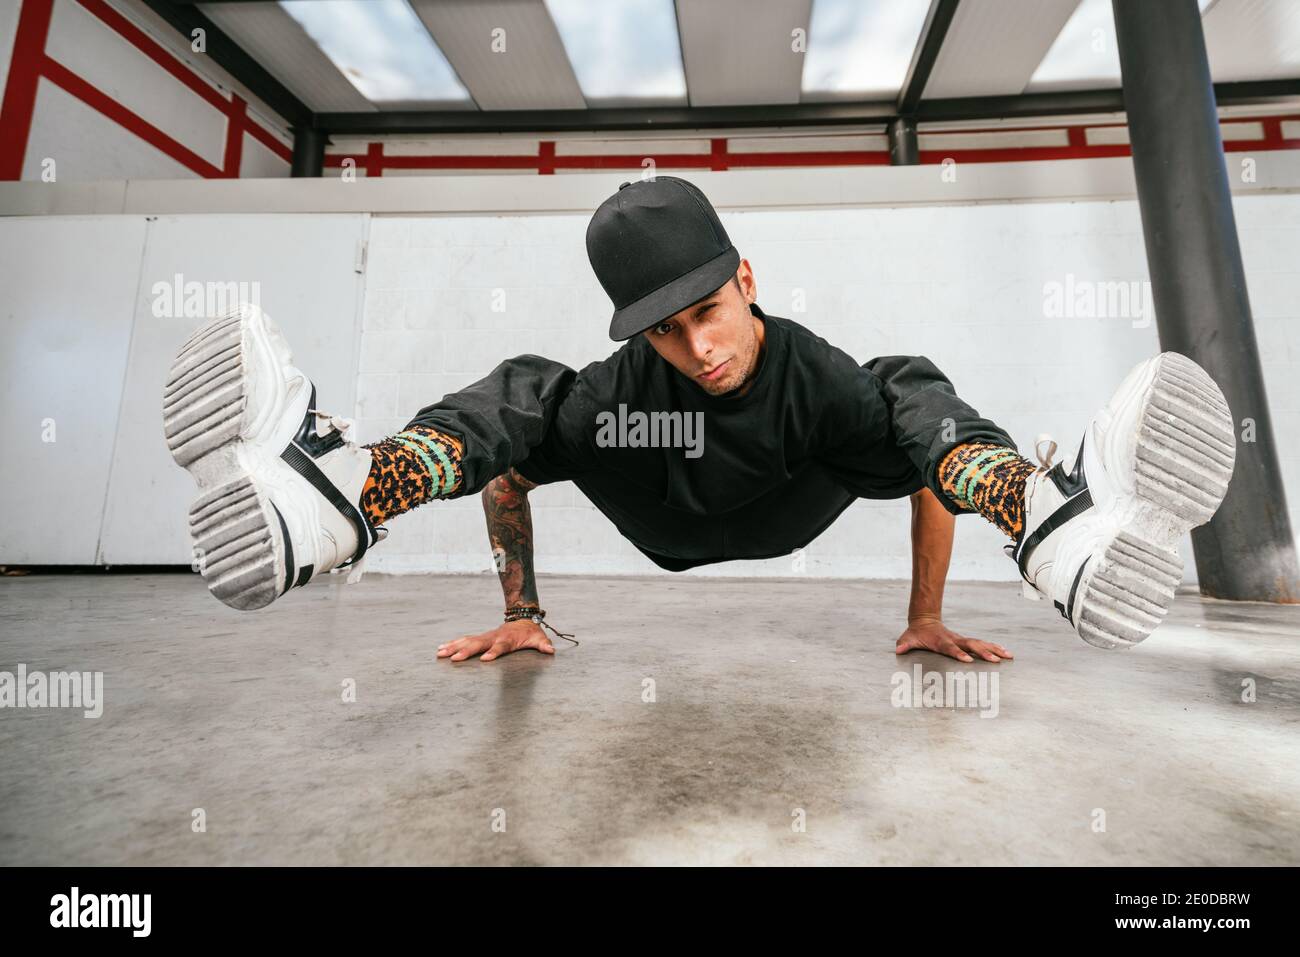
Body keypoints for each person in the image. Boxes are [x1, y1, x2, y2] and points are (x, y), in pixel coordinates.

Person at [162, 176, 1235, 663]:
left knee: (906, 387)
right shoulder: (616, 394)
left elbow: (918, 463)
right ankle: (349, 494)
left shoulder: (816, 379)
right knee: (531, 393)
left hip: (792, 494)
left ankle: (1048, 516)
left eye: (710, 314)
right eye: (665, 333)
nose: (699, 349)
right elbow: (504, 467)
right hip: (658, 510)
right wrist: (523, 606)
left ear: (747, 278)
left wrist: (920, 614)